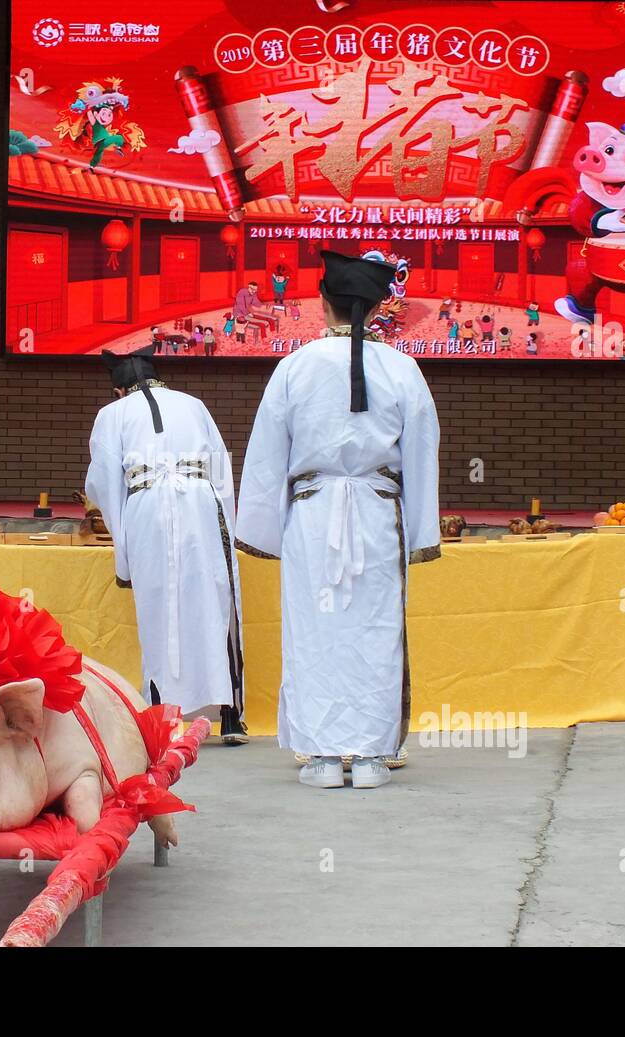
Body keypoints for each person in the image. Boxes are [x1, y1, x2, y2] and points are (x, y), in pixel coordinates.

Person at [237, 250, 441, 790]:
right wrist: (422, 528)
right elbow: (422, 453)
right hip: (377, 513)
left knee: (314, 628)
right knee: (375, 630)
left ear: (324, 303)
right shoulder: (403, 368)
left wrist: (261, 524)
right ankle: (371, 759)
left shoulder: (294, 367)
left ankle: (324, 757)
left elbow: (265, 456)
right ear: (376, 309)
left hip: (311, 513)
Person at [85, 345, 247, 744]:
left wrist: (122, 552)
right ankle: (230, 714)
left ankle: (160, 709)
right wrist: (227, 521)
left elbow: (104, 484)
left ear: (119, 390)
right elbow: (220, 467)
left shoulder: (112, 414)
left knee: (156, 604)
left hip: (147, 504)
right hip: (201, 502)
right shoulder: (193, 404)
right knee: (214, 598)